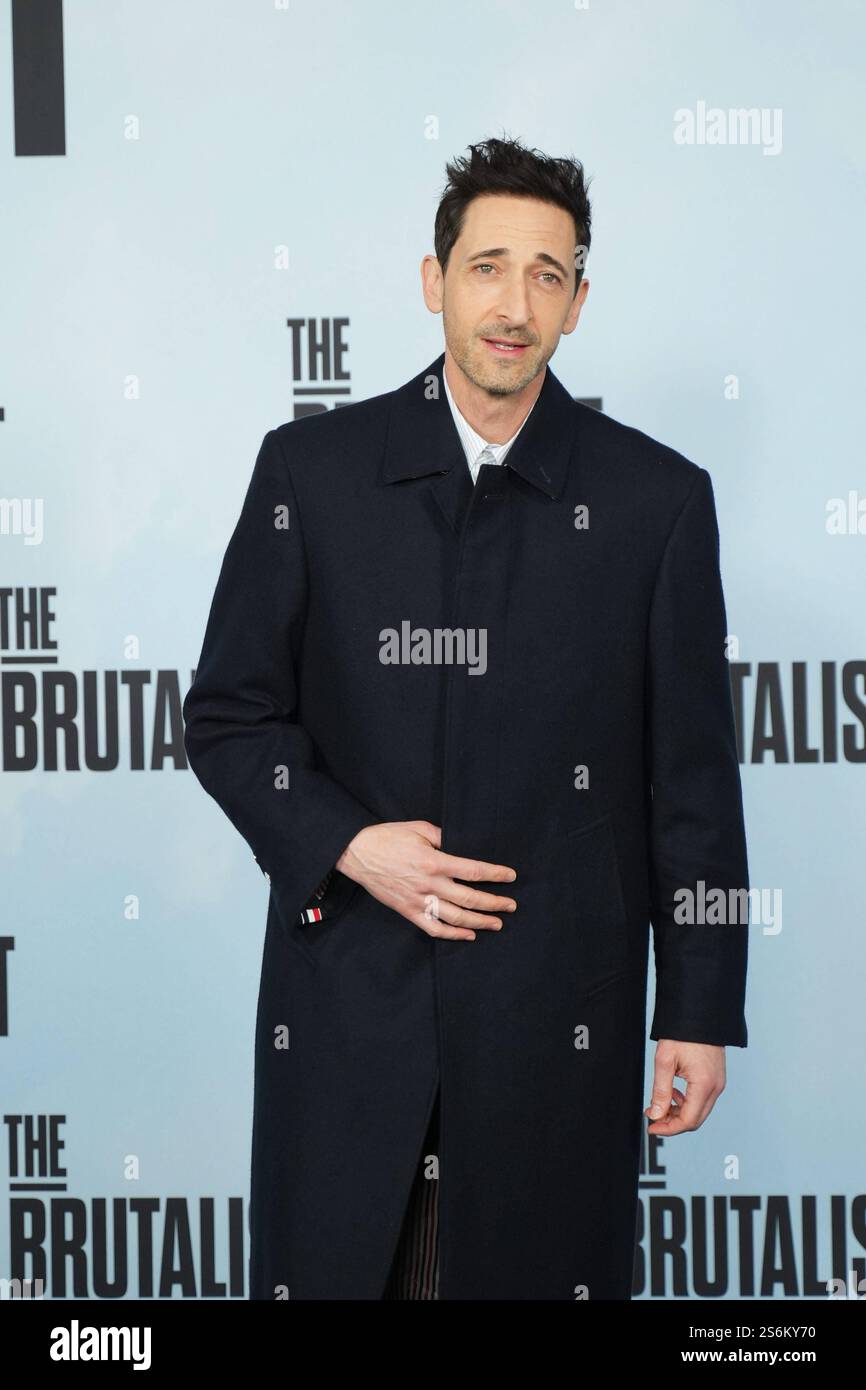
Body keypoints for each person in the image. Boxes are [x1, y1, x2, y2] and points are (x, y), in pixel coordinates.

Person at [182, 135, 749, 1301]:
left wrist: (697, 1009)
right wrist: (347, 842)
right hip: (347, 1003)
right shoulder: (311, 474)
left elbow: (689, 783)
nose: (513, 303)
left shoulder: (654, 501)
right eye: (486, 266)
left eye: (546, 274)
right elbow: (230, 718)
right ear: (431, 281)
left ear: (578, 303)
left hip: (555, 1027)